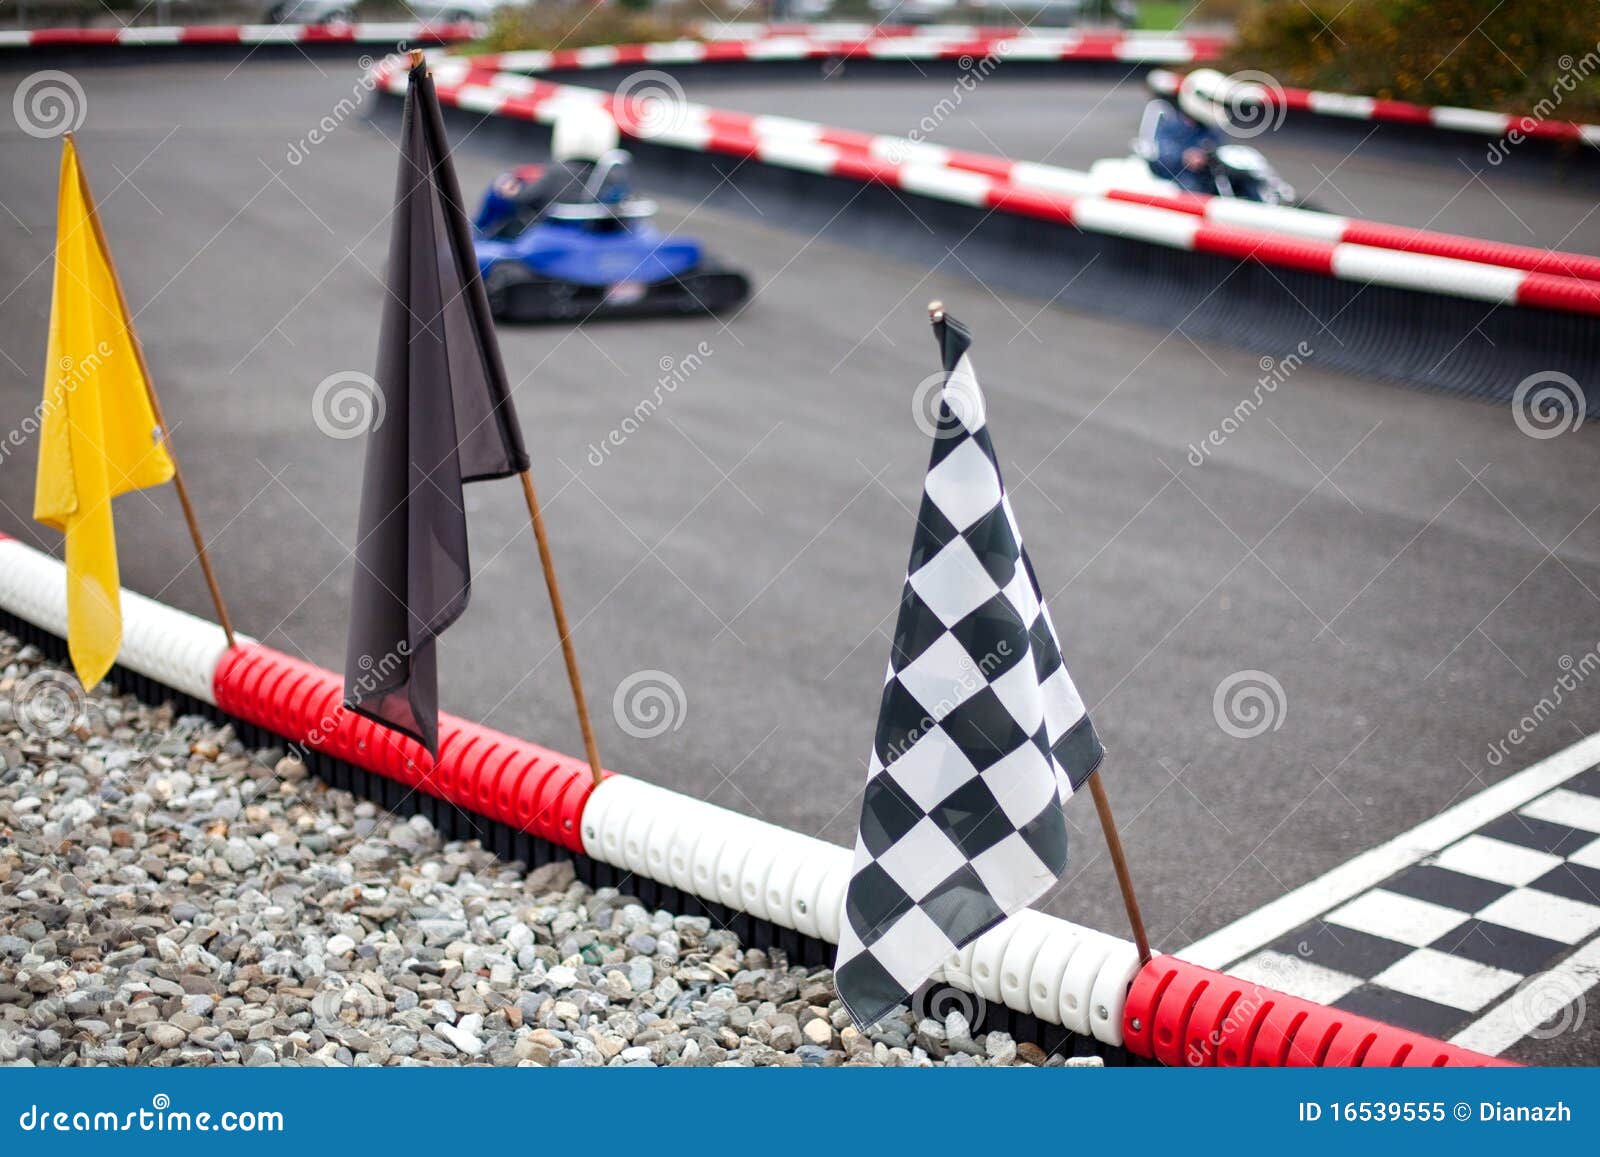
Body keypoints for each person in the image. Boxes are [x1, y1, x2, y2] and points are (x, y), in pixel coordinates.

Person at [478, 104, 627, 239]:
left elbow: (524, 200)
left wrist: (509, 194)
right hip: (595, 240)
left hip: (554, 240)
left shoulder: (556, 174)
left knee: (498, 191)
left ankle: (478, 242)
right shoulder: (612, 178)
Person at [1148, 69, 1228, 194]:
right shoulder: (1169, 121)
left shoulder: (1210, 129)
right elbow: (1159, 152)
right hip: (1176, 182)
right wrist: (1184, 156)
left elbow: (1220, 151)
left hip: (1208, 181)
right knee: (1191, 186)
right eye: (1213, 101)